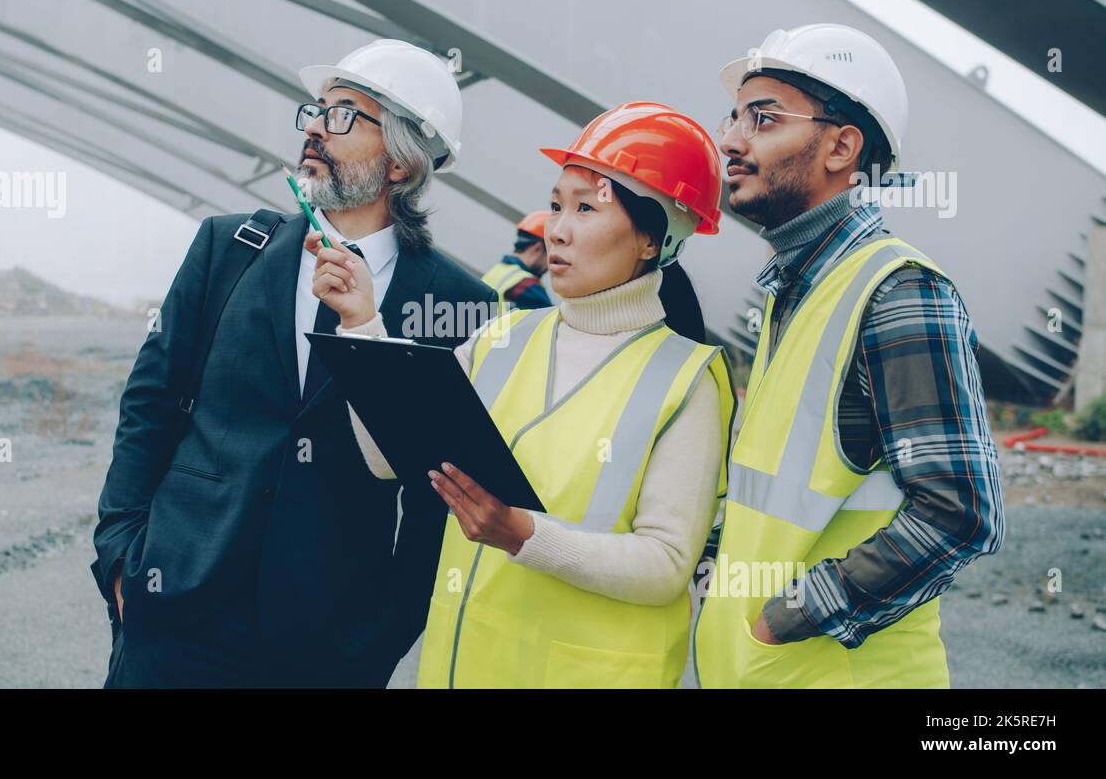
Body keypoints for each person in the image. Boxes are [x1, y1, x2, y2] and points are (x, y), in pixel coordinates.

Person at [90, 38, 497, 688]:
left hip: (327, 646)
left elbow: (438, 495)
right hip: (172, 614)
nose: (314, 127)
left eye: (342, 116)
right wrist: (121, 558)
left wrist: (383, 635)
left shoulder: (460, 303)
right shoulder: (228, 249)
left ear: (399, 161)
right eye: (314, 110)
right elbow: (148, 408)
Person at [311, 102, 736, 687]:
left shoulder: (687, 380)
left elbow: (665, 564)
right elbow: (391, 459)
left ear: (650, 240)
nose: (557, 228)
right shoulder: (502, 339)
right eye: (558, 203)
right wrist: (362, 324)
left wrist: (522, 534)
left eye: (587, 208)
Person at [694, 24, 1004, 688]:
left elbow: (959, 513)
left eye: (763, 118)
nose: (730, 140)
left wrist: (784, 617)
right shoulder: (796, 293)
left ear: (841, 146)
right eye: (734, 116)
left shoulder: (898, 292)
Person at [481, 211, 553, 312]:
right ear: (537, 248)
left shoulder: (498, 270)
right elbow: (549, 324)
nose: (550, 266)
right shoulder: (528, 286)